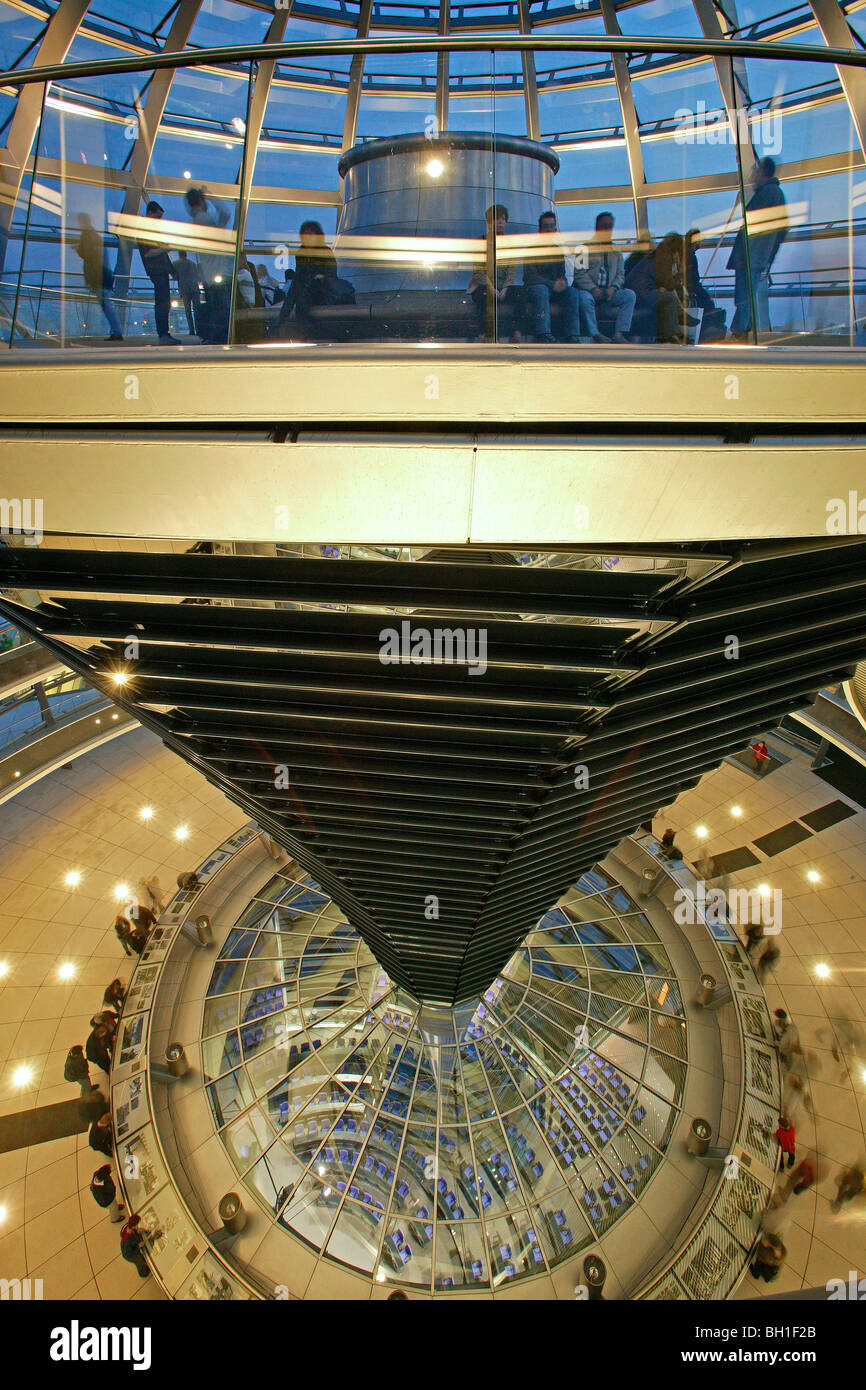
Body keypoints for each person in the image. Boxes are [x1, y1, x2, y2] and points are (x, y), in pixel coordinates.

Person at [727, 157, 787, 338]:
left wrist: (749, 254)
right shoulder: (774, 194)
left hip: (750, 257)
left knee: (744, 297)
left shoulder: (767, 194)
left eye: (756, 173)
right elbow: (781, 231)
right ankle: (744, 332)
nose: (753, 177)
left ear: (763, 173)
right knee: (748, 297)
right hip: (757, 257)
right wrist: (769, 256)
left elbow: (751, 229)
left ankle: (739, 333)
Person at [574, 211, 635, 343]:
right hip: (590, 291)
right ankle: (595, 333)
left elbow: (620, 274)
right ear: (597, 227)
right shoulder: (584, 249)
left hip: (609, 293)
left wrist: (613, 288)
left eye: (609, 226)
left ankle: (619, 334)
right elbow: (579, 274)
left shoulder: (616, 251)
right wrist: (593, 289)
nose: (607, 229)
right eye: (604, 226)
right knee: (584, 299)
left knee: (629, 295)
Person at [276, 221, 342, 339]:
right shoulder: (301, 253)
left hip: (322, 290)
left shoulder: (324, 251)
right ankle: (294, 327)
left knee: (298, 288)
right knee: (299, 287)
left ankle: (282, 322)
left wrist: (318, 277)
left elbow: (331, 275)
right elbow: (300, 274)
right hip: (306, 289)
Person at [184, 186, 233, 344]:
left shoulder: (196, 221)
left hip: (208, 274)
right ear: (200, 200)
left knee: (215, 308)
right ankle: (219, 340)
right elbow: (226, 214)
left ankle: (213, 339)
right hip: (218, 273)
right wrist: (211, 196)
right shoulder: (204, 219)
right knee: (222, 310)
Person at [523, 210, 580, 344]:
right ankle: (543, 333)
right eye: (546, 226)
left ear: (555, 229)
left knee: (572, 292)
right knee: (541, 289)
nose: (549, 229)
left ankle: (572, 334)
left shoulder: (557, 251)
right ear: (540, 229)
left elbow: (562, 275)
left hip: (553, 290)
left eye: (551, 226)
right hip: (536, 290)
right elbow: (530, 277)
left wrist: (562, 283)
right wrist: (551, 284)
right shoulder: (532, 250)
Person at [467, 204, 522, 342]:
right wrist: (491, 287)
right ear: (489, 222)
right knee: (483, 296)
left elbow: (512, 269)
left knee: (522, 295)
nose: (500, 222)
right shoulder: (481, 242)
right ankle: (482, 335)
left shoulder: (510, 243)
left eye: (503, 219)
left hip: (503, 286)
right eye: (497, 219)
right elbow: (478, 271)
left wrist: (505, 288)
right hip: (485, 285)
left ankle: (517, 333)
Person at [624, 233, 686, 342]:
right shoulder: (664, 255)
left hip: (639, 291)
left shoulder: (658, 254)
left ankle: (673, 331)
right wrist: (678, 275)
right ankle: (671, 333)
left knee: (667, 296)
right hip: (641, 294)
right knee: (669, 297)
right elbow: (667, 282)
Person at [73, 212, 123, 341]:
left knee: (106, 305)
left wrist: (79, 249)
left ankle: (117, 332)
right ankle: (116, 331)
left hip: (98, 276)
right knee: (107, 305)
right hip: (103, 275)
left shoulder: (88, 236)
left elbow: (89, 255)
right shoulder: (95, 236)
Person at [137, 201, 180, 345]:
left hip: (159, 271)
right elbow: (148, 253)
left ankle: (164, 334)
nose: (159, 221)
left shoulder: (148, 229)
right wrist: (164, 249)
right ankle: (163, 334)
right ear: (150, 213)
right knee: (162, 303)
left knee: (163, 303)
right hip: (158, 271)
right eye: (158, 217)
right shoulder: (145, 230)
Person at [172, 249, 200, 335]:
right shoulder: (193, 263)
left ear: (179, 254)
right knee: (197, 310)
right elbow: (197, 276)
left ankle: (192, 330)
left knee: (188, 310)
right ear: (186, 254)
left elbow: (175, 277)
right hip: (195, 288)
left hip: (184, 289)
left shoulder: (176, 264)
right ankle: (199, 329)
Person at [120, 1214, 151, 1278]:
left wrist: (137, 1231)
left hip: (131, 1247)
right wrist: (138, 1246)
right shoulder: (127, 1241)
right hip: (130, 1255)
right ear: (134, 1226)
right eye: (137, 1224)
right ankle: (143, 1273)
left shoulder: (127, 1226)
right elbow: (129, 1253)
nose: (138, 1226)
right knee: (140, 1261)